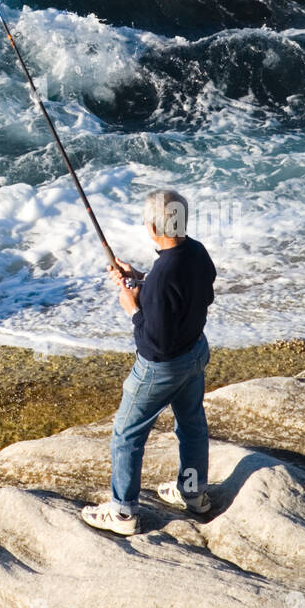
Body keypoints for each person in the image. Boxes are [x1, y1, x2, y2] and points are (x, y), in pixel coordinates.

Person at [81, 188, 217, 536]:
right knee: (191, 424)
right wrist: (141, 279)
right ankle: (193, 491)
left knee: (126, 434)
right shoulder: (195, 252)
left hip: (162, 367)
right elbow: (202, 293)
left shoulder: (163, 276)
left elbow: (152, 341)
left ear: (154, 228)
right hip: (195, 353)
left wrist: (133, 308)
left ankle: (123, 513)